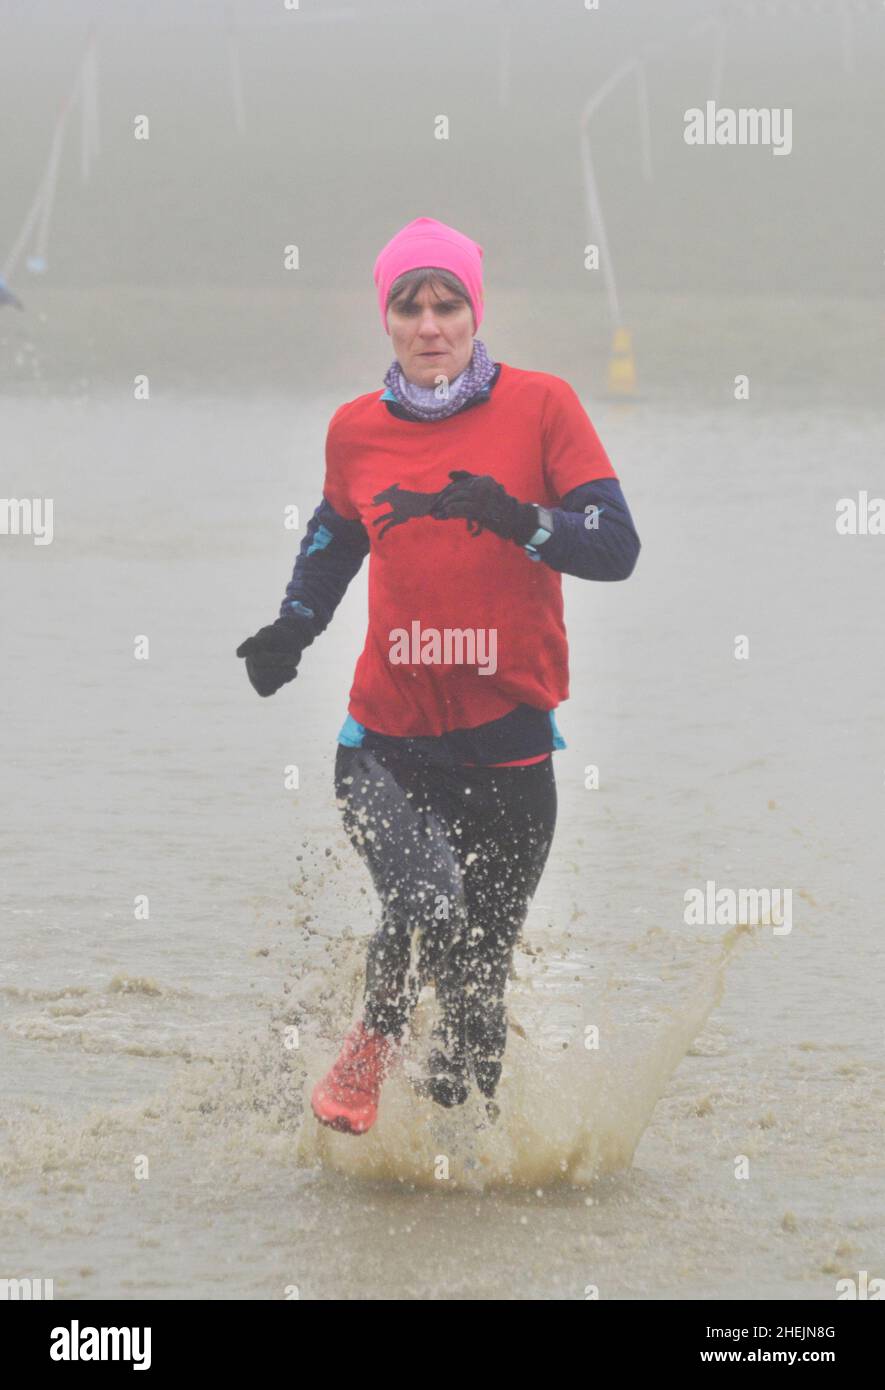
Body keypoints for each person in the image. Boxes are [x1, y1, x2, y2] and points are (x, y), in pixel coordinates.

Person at [237, 215, 641, 1136]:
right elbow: (337, 534)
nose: (428, 324)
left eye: (445, 303)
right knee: (423, 900)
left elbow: (615, 548)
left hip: (509, 755)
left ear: (472, 312)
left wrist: (520, 519)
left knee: (473, 1017)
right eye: (407, 305)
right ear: (386, 320)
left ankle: (461, 1174)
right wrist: (293, 628)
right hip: (386, 744)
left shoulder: (542, 407)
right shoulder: (355, 429)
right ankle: (369, 1048)